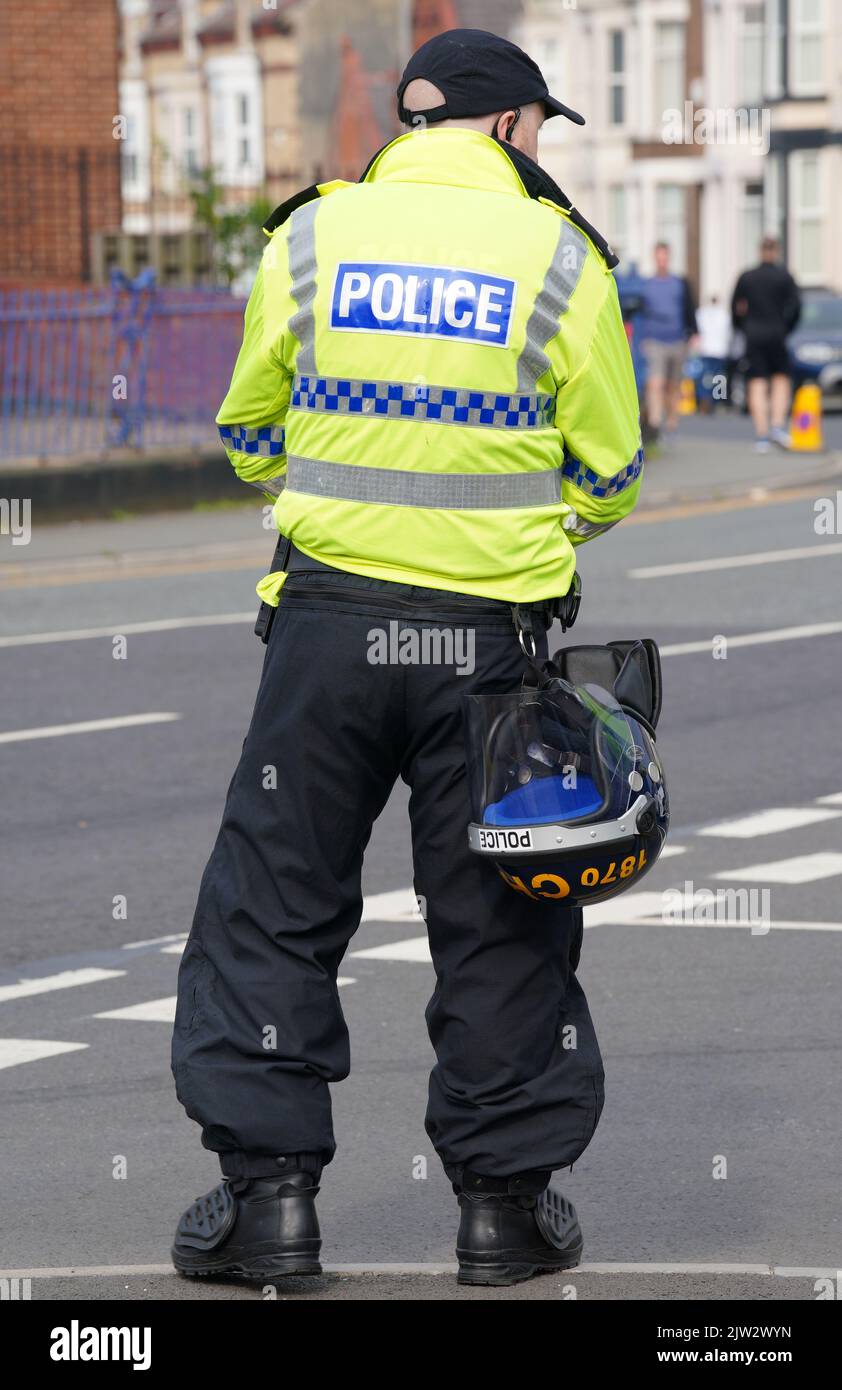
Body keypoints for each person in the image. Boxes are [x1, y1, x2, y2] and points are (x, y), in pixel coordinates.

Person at [170, 27, 643, 1288]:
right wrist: (523, 526)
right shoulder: (561, 256)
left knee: (273, 901)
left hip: (325, 631)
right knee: (496, 916)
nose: (540, 149)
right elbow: (607, 472)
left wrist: (334, 503)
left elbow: (247, 427)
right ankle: (500, 1212)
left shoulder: (311, 236)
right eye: (538, 126)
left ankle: (267, 1206)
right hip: (484, 651)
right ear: (500, 125)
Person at [731, 235, 801, 453]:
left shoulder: (747, 277)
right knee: (781, 379)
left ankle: (761, 435)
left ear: (760, 251)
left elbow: (734, 307)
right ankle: (778, 426)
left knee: (756, 383)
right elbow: (797, 307)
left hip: (754, 335)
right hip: (777, 333)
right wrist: (787, 328)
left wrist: (743, 327)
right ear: (776, 251)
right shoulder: (784, 276)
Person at [639, 242, 698, 438]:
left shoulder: (680, 283)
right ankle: (655, 423)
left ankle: (672, 421)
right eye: (659, 257)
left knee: (673, 385)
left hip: (677, 339)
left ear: (669, 258)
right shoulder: (647, 285)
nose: (662, 261)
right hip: (654, 339)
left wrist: (695, 333)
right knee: (655, 383)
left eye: (665, 257)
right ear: (655, 259)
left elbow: (689, 309)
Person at [695, 295, 732, 412]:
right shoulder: (724, 315)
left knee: (704, 376)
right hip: (719, 350)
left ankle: (704, 399)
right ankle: (716, 400)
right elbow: (728, 332)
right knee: (719, 377)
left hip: (705, 349)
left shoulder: (701, 313)